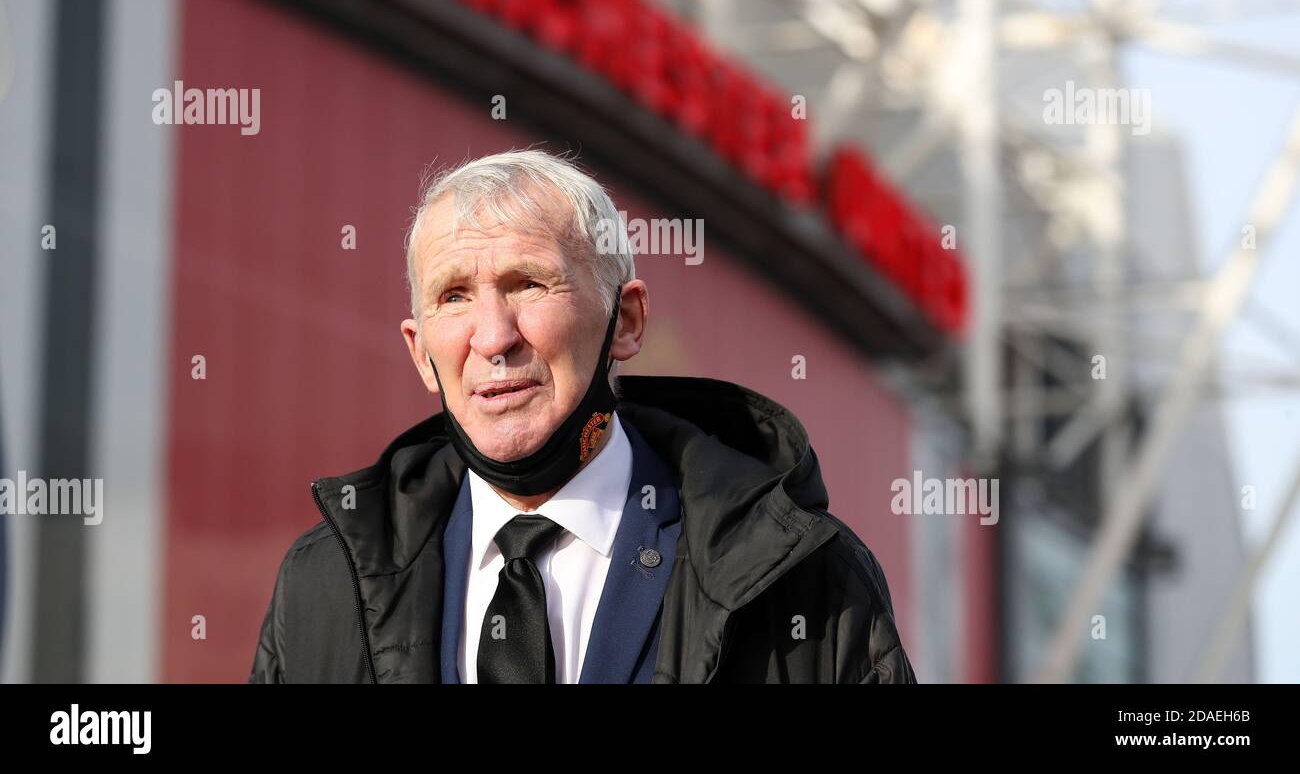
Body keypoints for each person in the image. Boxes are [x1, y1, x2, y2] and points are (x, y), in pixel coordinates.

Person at [249, 148, 915, 683]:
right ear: (421, 354)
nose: (493, 338)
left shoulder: (804, 579)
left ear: (626, 322)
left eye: (528, 285)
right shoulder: (322, 585)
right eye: (453, 297)